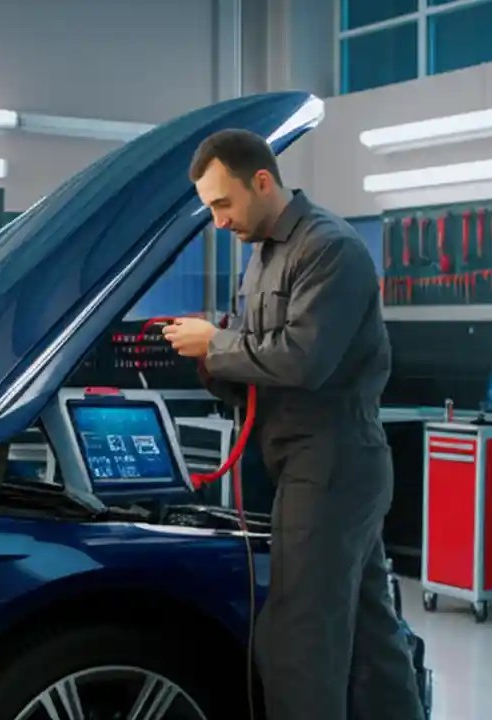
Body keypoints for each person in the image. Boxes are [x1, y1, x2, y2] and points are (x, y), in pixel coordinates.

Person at [162, 129, 425, 720]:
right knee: (369, 640)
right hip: (303, 462)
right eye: (210, 208)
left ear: (262, 181)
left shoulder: (329, 248)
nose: (218, 220)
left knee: (299, 641)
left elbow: (304, 358)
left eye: (223, 203)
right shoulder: (262, 257)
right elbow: (257, 360)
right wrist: (204, 355)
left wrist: (219, 342)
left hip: (332, 459)